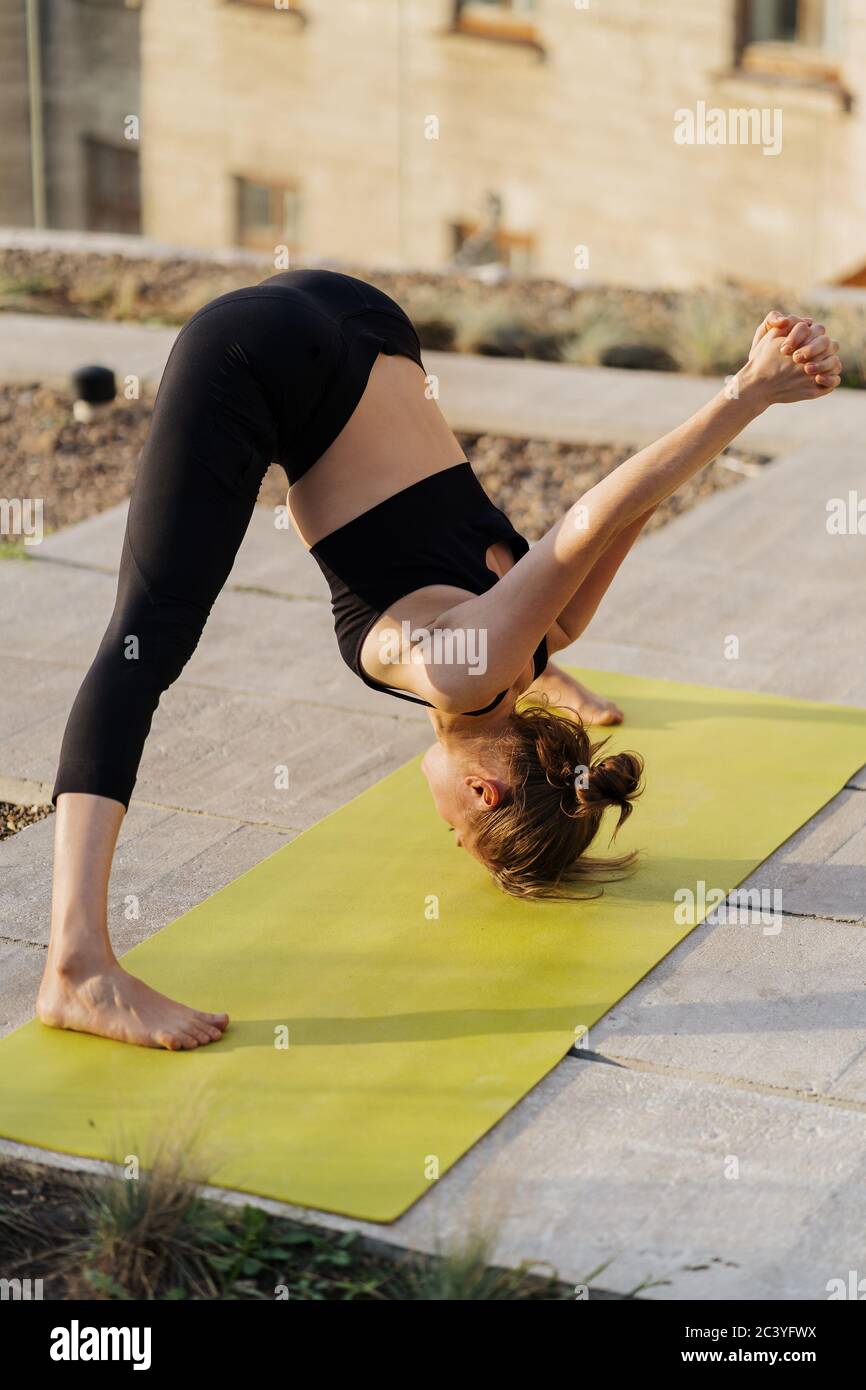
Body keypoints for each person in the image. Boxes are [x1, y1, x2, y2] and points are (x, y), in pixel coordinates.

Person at [38, 270, 841, 1048]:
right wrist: (749, 390)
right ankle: (77, 967)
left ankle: (80, 963)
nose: (448, 835)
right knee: (143, 645)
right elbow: (594, 517)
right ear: (483, 789)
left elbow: (631, 505)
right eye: (464, 833)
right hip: (261, 349)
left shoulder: (552, 629)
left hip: (362, 316)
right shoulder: (463, 670)